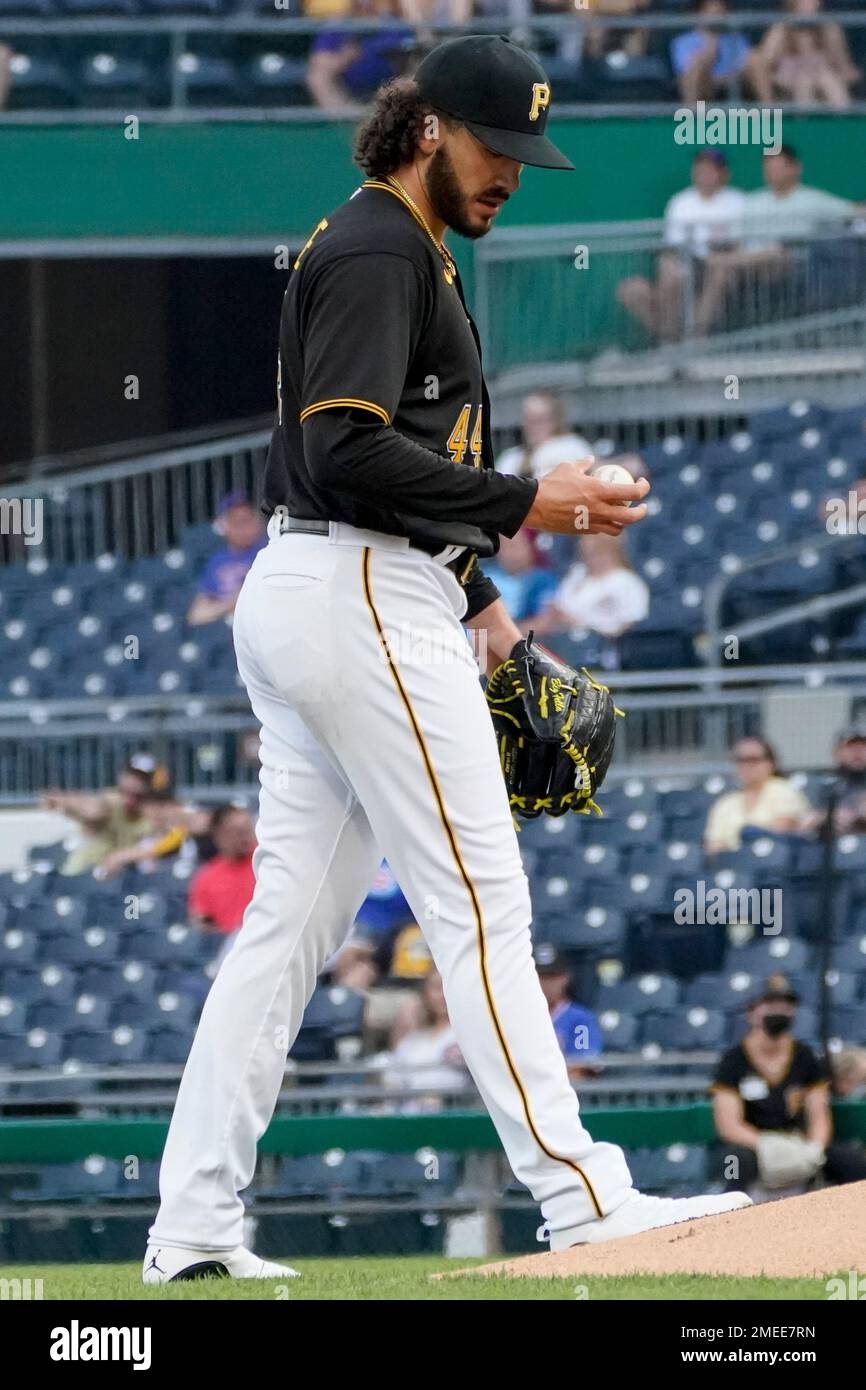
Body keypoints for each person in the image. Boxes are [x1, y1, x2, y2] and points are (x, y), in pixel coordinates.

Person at [144, 35, 747, 1286]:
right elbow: (342, 449)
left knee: (287, 932)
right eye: (494, 146)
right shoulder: (377, 247)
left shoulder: (382, 244)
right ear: (426, 130)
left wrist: (475, 593)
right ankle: (579, 1196)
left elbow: (354, 463)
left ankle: (192, 1226)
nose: (512, 174)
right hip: (355, 588)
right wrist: (530, 499)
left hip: (342, 585)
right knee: (480, 903)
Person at [711, 976, 866, 1194]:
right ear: (752, 1011)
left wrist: (814, 1147)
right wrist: (766, 1144)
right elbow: (728, 1125)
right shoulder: (733, 1061)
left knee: (851, 1160)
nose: (779, 1011)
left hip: (798, 1142)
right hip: (753, 1144)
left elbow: (819, 1114)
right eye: (771, 1004)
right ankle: (724, 1216)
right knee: (732, 1162)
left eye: (786, 1005)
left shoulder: (804, 1056)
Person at [694, 145, 861, 334]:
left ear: (794, 168)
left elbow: (853, 211)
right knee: (720, 273)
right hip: (748, 267)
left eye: (778, 167)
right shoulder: (753, 201)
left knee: (774, 253)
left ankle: (717, 262)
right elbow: (739, 242)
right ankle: (695, 337)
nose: (773, 172)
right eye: (768, 167)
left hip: (791, 266)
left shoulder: (812, 199)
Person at [617, 151, 746, 342]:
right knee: (633, 288)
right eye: (700, 169)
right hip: (686, 263)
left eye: (711, 170)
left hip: (720, 265)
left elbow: (738, 245)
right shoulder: (680, 202)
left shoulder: (738, 202)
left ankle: (694, 339)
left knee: (719, 272)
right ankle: (671, 341)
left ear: (724, 173)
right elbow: (672, 246)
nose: (704, 174)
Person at [526, 534, 650, 669]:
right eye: (585, 553)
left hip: (604, 651)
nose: (589, 558)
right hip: (564, 645)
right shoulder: (577, 574)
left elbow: (629, 623)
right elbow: (558, 608)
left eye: (595, 552)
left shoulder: (627, 582)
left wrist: (584, 624)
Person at [44, 759, 160, 877]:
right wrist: (63, 801)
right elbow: (92, 810)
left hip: (119, 883)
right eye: (132, 775)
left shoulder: (154, 812)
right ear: (123, 776)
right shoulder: (111, 801)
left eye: (143, 778)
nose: (136, 781)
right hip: (84, 875)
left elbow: (158, 845)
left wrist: (122, 857)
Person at [704, 737, 811, 854]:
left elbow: (782, 829)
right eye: (740, 760)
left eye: (753, 760)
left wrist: (735, 846)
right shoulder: (725, 802)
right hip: (733, 866)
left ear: (771, 763)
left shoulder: (783, 789)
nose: (746, 766)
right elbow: (712, 846)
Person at [305, 0, 413, 111]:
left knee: (412, 72)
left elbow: (411, 50)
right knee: (317, 77)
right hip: (349, 92)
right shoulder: (336, 27)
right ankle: (343, 122)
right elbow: (320, 62)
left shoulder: (395, 24)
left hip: (390, 86)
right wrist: (346, 57)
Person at [383, 970, 467, 1109]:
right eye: (436, 988)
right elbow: (394, 1080)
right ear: (426, 994)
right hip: (412, 1115)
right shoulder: (413, 1040)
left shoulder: (466, 1034)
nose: (443, 994)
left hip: (454, 1111)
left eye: (447, 987)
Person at [759, 0, 861, 111]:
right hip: (790, 84)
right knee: (804, 82)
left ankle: (844, 121)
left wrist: (830, 75)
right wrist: (782, 80)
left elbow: (845, 67)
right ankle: (805, 123)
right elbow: (763, 67)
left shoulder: (829, 28)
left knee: (828, 80)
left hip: (824, 81)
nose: (809, 4)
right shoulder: (780, 29)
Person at [671, 0, 772, 107]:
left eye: (720, 7)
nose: (717, 11)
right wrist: (710, 47)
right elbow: (685, 72)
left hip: (733, 80)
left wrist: (727, 78)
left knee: (754, 57)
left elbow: (744, 64)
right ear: (698, 13)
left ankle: (770, 110)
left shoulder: (735, 38)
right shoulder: (682, 41)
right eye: (710, 8)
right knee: (698, 61)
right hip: (705, 83)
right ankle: (691, 112)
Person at [186, 493, 265, 628]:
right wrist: (232, 603)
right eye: (236, 523)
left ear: (258, 522)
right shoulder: (217, 560)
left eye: (246, 520)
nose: (243, 528)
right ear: (224, 527)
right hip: (228, 626)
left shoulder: (270, 549)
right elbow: (196, 615)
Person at [187, 805, 257, 936]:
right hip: (227, 947)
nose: (245, 837)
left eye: (248, 830)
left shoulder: (266, 861)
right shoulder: (206, 876)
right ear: (218, 835)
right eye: (237, 832)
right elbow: (199, 921)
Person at [536, 947, 603, 1081]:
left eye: (553, 977)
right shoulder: (521, 1018)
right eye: (541, 977)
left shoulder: (580, 1019)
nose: (546, 983)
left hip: (565, 1089)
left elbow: (583, 1064)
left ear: (565, 978)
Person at [496, 391, 592, 483]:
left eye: (541, 419)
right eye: (529, 419)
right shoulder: (510, 458)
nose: (534, 425)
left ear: (555, 420)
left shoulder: (572, 446)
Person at [482, 529, 558, 624]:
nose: (510, 553)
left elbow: (544, 622)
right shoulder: (485, 577)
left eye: (515, 546)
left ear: (531, 547)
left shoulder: (542, 580)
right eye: (504, 547)